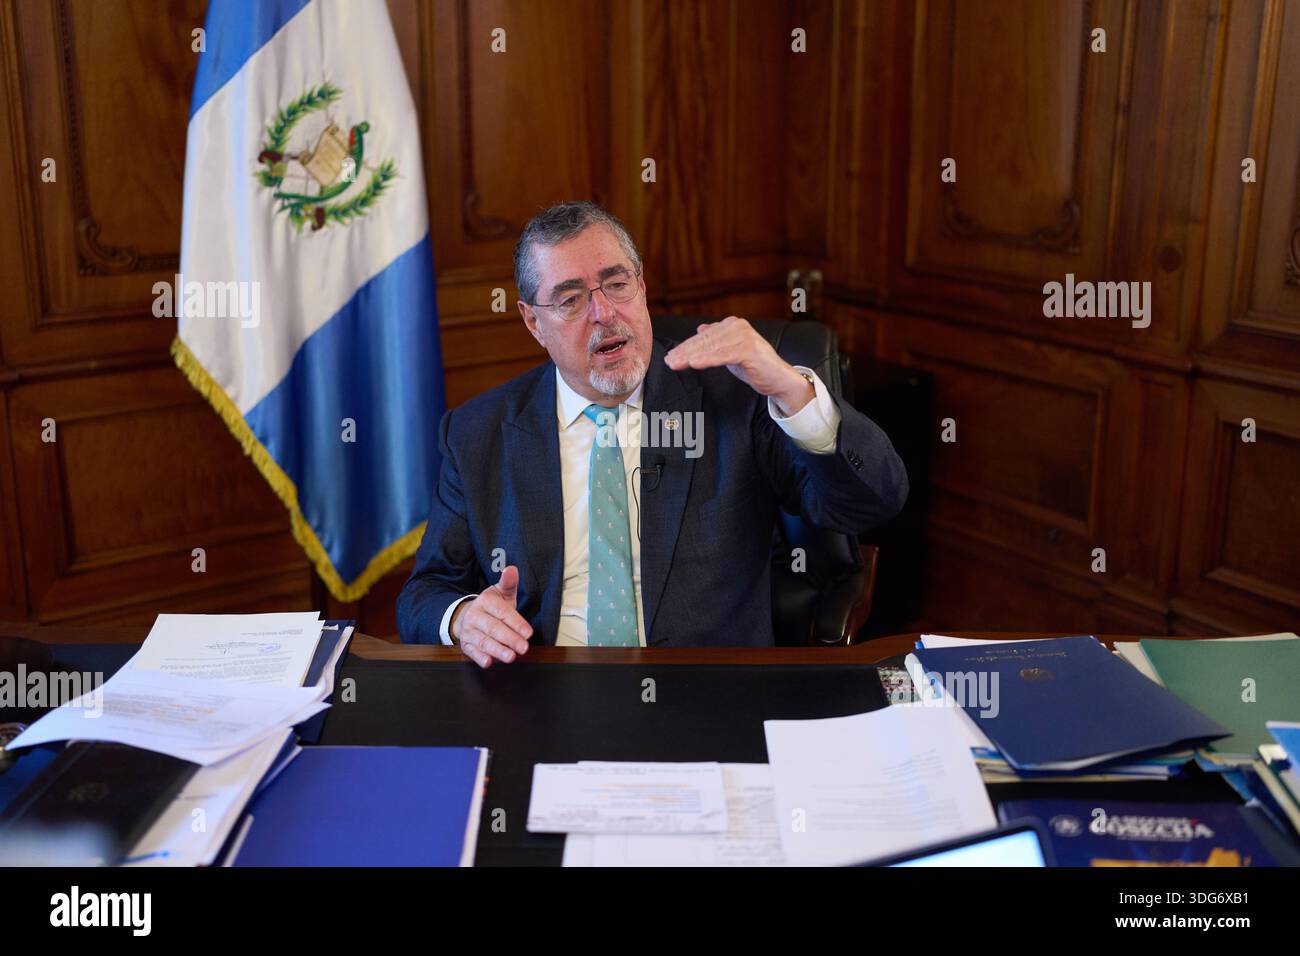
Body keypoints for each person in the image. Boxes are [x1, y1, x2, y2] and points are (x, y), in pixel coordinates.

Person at [397, 201, 907, 665]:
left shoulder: (733, 398)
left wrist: (791, 390)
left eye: (616, 284)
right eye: (571, 300)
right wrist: (464, 618)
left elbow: (870, 502)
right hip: (542, 693)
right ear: (533, 322)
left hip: (707, 697)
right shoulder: (478, 432)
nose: (604, 313)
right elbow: (425, 595)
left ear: (640, 286)